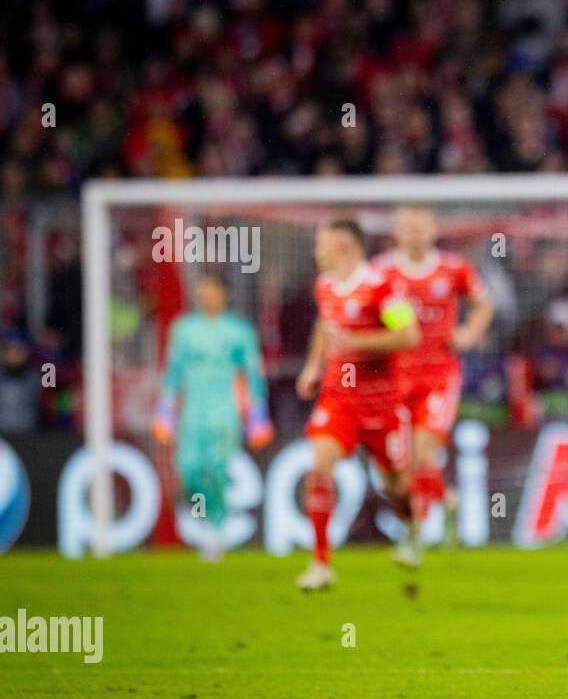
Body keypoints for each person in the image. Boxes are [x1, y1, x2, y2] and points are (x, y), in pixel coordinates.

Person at [294, 218, 420, 590]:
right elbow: (326, 324)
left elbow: (409, 335)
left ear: (343, 246)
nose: (316, 251)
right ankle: (321, 563)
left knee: (396, 483)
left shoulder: (382, 287)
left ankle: (411, 530)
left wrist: (358, 342)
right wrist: (313, 367)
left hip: (382, 403)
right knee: (319, 468)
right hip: (340, 398)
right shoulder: (325, 286)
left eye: (322, 244)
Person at [371, 206, 494, 566]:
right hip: (393, 379)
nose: (413, 233)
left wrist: (470, 332)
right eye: (406, 226)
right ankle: (448, 501)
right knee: (398, 464)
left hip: (439, 377)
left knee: (424, 452)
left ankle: (415, 537)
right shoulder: (381, 272)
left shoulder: (454, 269)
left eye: (419, 226)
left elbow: (483, 304)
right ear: (395, 231)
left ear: (433, 230)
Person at [153, 273, 272, 562]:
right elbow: (173, 373)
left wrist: (258, 416)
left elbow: (254, 375)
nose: (205, 295)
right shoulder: (183, 329)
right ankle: (207, 522)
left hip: (225, 411)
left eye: (211, 289)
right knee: (189, 470)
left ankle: (216, 528)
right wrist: (165, 411)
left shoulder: (240, 331)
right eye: (201, 290)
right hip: (192, 412)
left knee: (216, 469)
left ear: (223, 294)